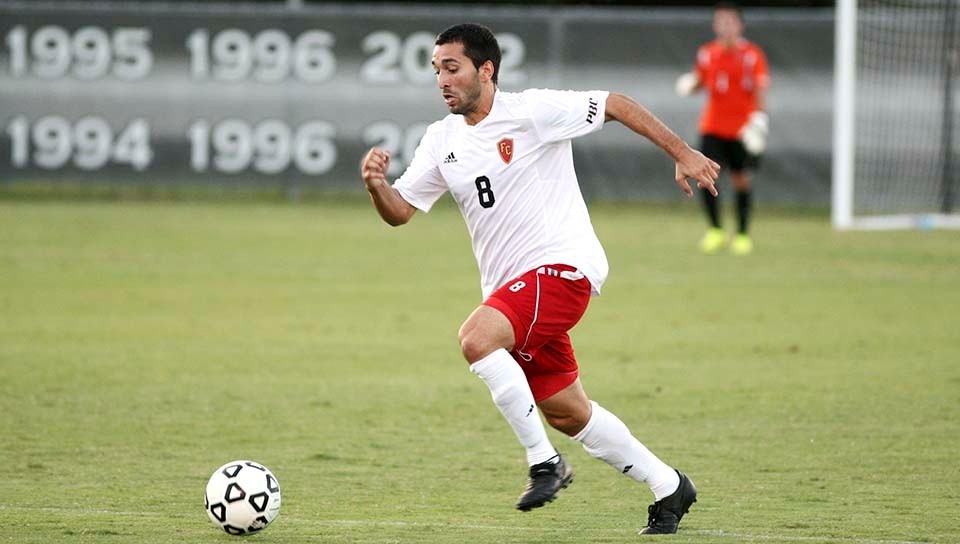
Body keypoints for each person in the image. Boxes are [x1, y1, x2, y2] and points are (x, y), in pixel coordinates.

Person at [360, 23, 719, 535]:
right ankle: (669, 486)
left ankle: (544, 464)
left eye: (452, 67)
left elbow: (615, 102)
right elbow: (401, 211)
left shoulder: (530, 112)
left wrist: (682, 152)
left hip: (564, 268)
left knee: (476, 338)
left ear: (486, 70)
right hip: (514, 295)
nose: (441, 79)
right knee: (569, 413)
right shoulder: (441, 140)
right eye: (436, 69)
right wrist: (375, 186)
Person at [675, 2, 770, 255]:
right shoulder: (707, 53)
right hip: (713, 127)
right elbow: (700, 81)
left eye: (730, 21)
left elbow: (760, 90)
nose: (725, 26)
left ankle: (742, 235)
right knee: (705, 178)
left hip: (741, 130)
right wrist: (689, 84)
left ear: (740, 24)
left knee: (741, 179)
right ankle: (715, 230)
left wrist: (759, 120)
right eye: (720, 21)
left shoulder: (752, 54)